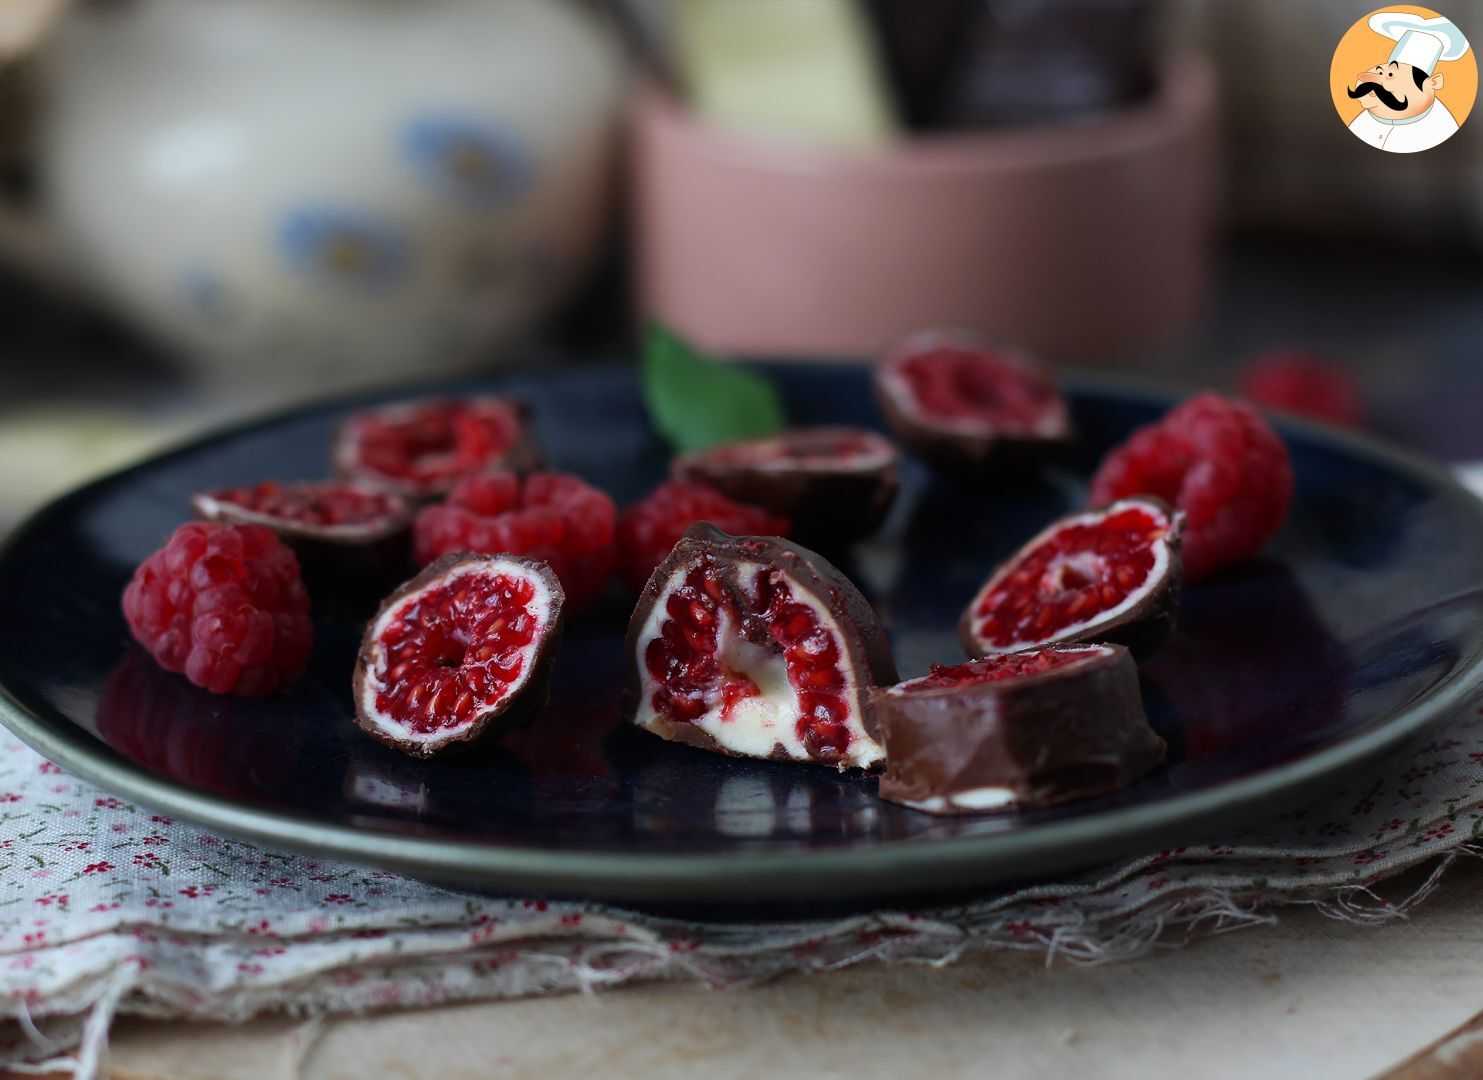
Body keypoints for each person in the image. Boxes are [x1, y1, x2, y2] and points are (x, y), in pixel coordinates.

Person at [1347, 11, 1470, 153]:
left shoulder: (1439, 131)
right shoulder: (1362, 121)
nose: (1374, 79)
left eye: (1391, 74)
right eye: (1379, 71)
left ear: (1433, 83)